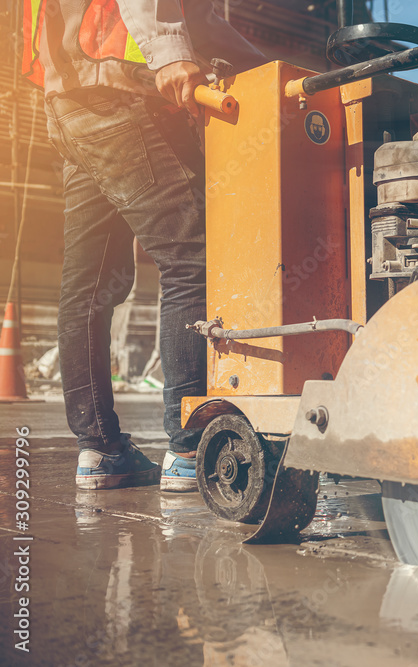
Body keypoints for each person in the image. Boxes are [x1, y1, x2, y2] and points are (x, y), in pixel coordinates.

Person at [23, 0, 268, 490]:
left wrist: (263, 66)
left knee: (89, 287)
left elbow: (199, 19)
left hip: (70, 103)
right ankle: (188, 447)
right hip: (122, 95)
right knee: (193, 260)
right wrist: (170, 49)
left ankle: (99, 449)